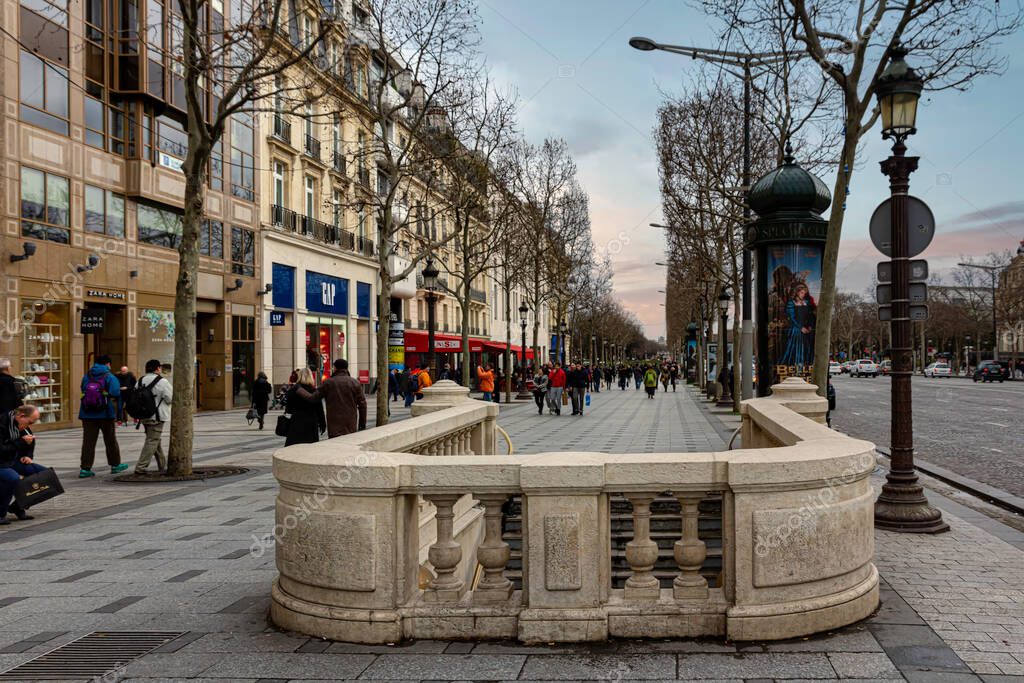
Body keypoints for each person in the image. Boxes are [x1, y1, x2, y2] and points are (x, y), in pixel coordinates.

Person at [79, 355, 125, 478]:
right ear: (108, 364)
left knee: (88, 442)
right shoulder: (109, 376)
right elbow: (115, 392)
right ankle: (115, 465)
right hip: (105, 414)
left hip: (87, 414)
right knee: (110, 440)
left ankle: (85, 469)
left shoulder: (87, 375)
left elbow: (83, 389)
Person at [0, 405, 47, 524]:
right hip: (1, 462)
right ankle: (1, 513)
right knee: (12, 478)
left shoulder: (22, 424)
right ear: (21, 416)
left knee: (46, 475)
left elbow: (31, 440)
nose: (30, 426)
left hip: (12, 460)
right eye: (30, 422)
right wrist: (20, 442)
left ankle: (18, 506)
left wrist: (28, 456)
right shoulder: (2, 424)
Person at [296, 359, 366, 437]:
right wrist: (362, 425)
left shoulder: (328, 383)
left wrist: (299, 390)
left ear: (335, 368)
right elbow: (362, 405)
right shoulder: (355, 383)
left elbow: (313, 398)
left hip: (334, 426)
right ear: (346, 368)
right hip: (351, 425)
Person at [134, 359, 172, 474]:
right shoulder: (163, 381)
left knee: (155, 440)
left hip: (144, 416)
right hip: (157, 416)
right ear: (158, 368)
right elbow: (170, 398)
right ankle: (140, 467)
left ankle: (162, 465)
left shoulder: (140, 381)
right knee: (152, 441)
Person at [284, 368, 326, 445]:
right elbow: (320, 409)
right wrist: (322, 424)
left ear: (299, 376)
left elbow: (288, 408)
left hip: (297, 420)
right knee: (309, 446)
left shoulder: (294, 389)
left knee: (294, 445)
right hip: (311, 421)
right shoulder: (314, 391)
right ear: (311, 377)